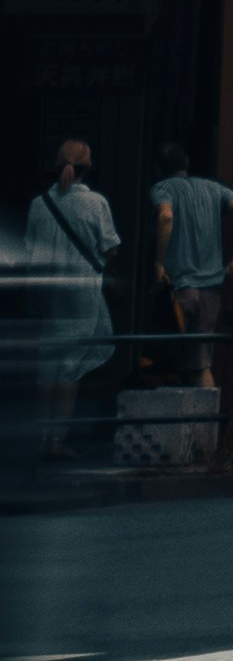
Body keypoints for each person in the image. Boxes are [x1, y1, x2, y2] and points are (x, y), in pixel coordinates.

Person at [22, 139, 119, 453]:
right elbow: (110, 247)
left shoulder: (39, 204)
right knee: (70, 367)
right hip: (82, 293)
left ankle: (39, 438)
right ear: (87, 168)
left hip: (48, 292)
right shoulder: (96, 203)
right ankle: (57, 441)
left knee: (47, 366)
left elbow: (28, 250)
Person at [147, 139, 233, 352]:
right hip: (210, 290)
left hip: (180, 288)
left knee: (165, 360)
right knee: (200, 363)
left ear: (157, 169)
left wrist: (158, 262)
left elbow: (166, 216)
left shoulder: (162, 188)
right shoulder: (212, 188)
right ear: (186, 163)